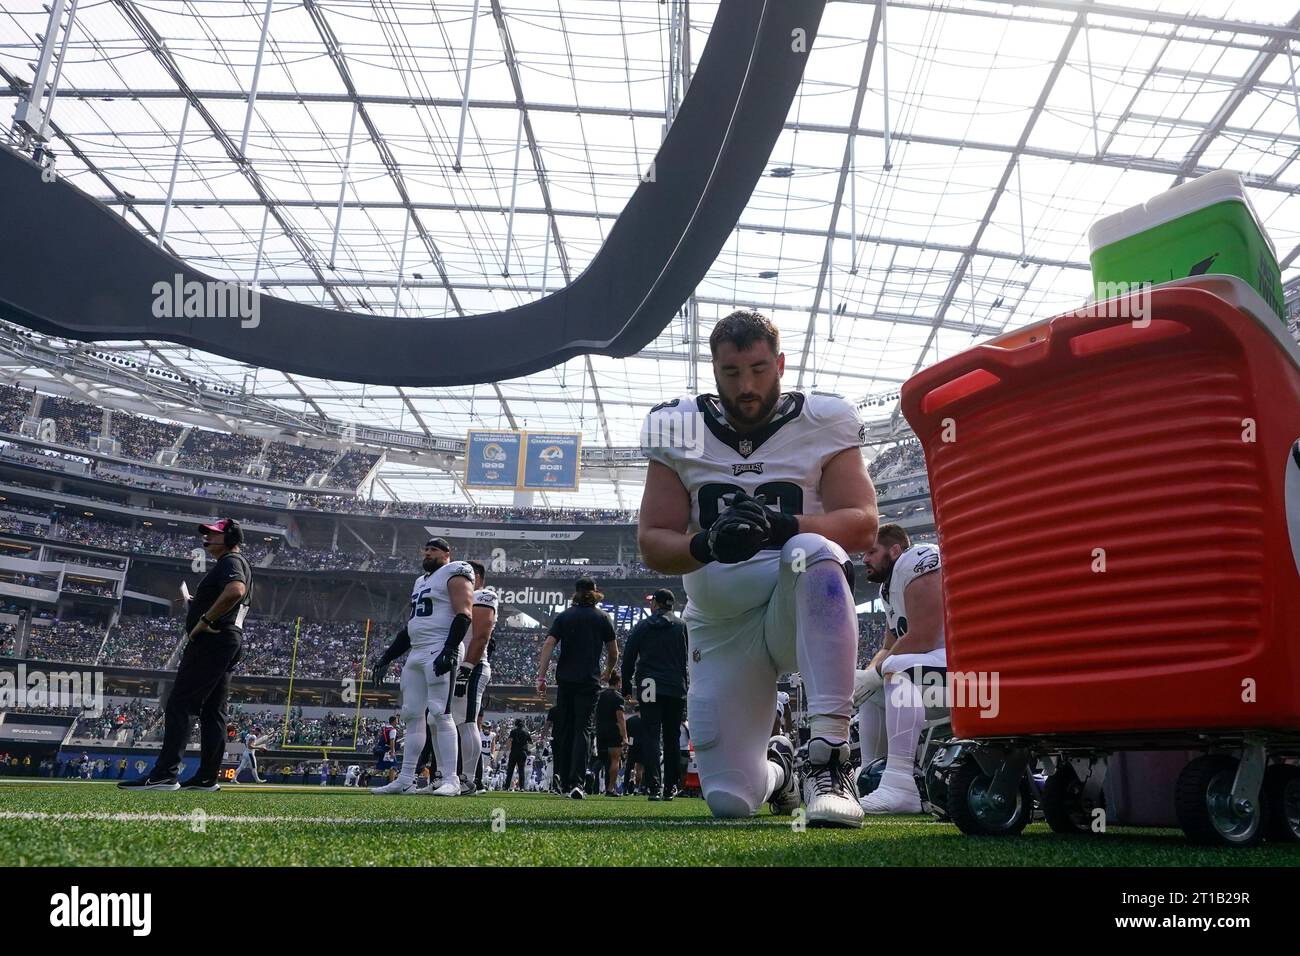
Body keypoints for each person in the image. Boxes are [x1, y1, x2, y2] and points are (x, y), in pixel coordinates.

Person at [638, 310, 876, 826]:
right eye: (731, 372)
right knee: (729, 798)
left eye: (759, 369)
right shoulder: (677, 425)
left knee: (815, 549)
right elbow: (653, 542)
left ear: (782, 364)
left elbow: (862, 525)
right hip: (722, 625)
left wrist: (782, 525)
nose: (746, 386)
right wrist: (706, 544)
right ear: (713, 370)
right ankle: (782, 775)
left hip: (798, 607)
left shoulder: (825, 419)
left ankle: (829, 762)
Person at [121, 518, 253, 791]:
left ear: (230, 538)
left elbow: (235, 591)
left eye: (213, 534)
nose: (206, 539)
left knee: (180, 703)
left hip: (213, 639)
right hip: (228, 639)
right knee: (214, 711)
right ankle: (206, 778)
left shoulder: (230, 562)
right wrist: (197, 603)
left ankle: (164, 775)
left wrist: (204, 619)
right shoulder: (234, 563)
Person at [369, 539, 473, 797]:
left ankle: (451, 779)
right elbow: (410, 627)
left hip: (439, 647)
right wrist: (386, 658)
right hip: (417, 650)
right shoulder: (420, 582)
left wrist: (449, 649)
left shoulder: (455, 571)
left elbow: (464, 613)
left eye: (434, 550)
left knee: (440, 713)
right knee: (411, 714)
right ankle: (405, 778)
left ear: (448, 554)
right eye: (425, 549)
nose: (427, 553)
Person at [852, 524, 944, 813]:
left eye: (871, 552)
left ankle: (900, 785)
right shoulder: (888, 587)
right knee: (874, 691)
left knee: (896, 669)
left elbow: (924, 636)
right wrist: (865, 677)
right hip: (937, 679)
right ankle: (872, 776)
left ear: (895, 550)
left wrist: (879, 673)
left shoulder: (919, 559)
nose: (864, 559)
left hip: (980, 677)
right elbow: (887, 646)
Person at [536, 577, 619, 799]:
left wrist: (541, 676)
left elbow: (548, 644)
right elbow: (613, 652)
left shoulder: (564, 616)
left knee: (565, 730)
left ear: (575, 592)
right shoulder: (603, 617)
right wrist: (608, 672)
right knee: (583, 730)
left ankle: (562, 783)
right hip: (589, 681)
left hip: (565, 680)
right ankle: (577, 783)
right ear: (595, 592)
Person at [621, 587, 688, 800]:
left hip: (649, 683)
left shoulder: (642, 626)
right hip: (675, 686)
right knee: (672, 737)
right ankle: (670, 787)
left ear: (655, 604)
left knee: (650, 733)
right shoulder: (682, 626)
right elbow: (690, 656)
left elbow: (629, 657)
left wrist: (625, 685)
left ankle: (653, 787)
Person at [452, 561, 498, 795]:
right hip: (454, 665)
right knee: (445, 722)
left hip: (473, 665)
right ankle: (447, 776)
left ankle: (468, 779)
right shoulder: (462, 597)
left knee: (467, 722)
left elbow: (481, 636)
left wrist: (467, 667)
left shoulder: (484, 595)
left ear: (476, 576)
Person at [594, 675, 628, 797]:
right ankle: (610, 788)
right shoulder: (618, 697)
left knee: (601, 760)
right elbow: (620, 718)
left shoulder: (600, 695)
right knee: (615, 760)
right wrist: (625, 736)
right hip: (613, 731)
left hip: (600, 729)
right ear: (618, 682)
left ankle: (591, 777)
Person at [505, 718, 530, 791]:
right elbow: (530, 742)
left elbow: (509, 741)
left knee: (510, 770)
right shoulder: (526, 732)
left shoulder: (513, 731)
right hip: (522, 752)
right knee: (521, 770)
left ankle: (506, 787)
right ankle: (522, 787)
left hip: (514, 752)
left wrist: (510, 749)